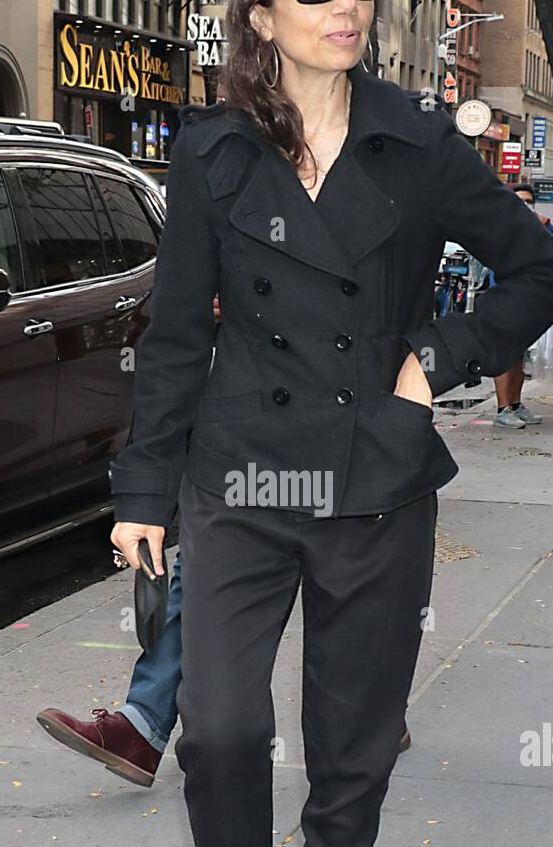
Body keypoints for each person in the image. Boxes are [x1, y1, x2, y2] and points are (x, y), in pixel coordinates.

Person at [106, 0, 553, 847]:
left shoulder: (416, 141)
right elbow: (173, 338)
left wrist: (438, 363)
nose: (348, 4)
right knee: (215, 731)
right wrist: (142, 492)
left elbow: (540, 267)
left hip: (371, 478)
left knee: (350, 741)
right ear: (262, 10)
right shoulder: (214, 153)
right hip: (242, 476)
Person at [36, 292, 411, 786]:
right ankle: (144, 725)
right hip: (245, 425)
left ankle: (372, 712)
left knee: (355, 588)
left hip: (349, 421)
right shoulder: (218, 215)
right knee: (200, 574)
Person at [490, 180, 553, 428]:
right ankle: (502, 407)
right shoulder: (500, 226)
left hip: (533, 298)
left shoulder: (546, 226)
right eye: (520, 201)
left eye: (529, 201)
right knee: (505, 354)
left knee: (520, 357)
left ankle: (515, 403)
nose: (525, 206)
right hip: (506, 296)